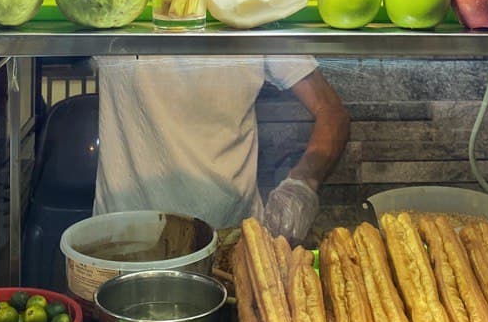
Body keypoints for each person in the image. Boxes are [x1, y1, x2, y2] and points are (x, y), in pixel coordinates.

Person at [92, 54, 350, 242]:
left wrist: (302, 184)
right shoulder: (127, 3)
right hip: (123, 242)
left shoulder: (250, 6)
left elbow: (330, 111)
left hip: (229, 239)